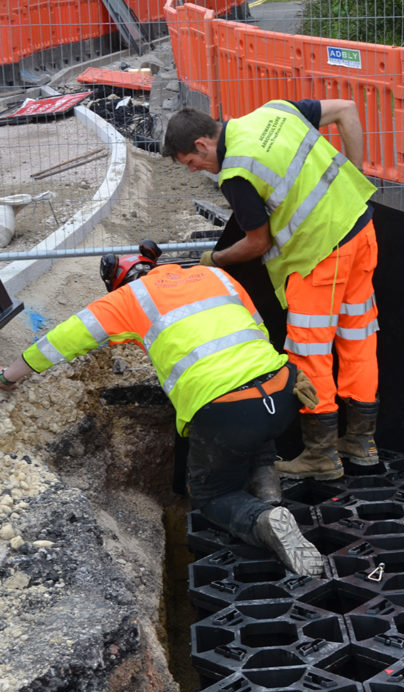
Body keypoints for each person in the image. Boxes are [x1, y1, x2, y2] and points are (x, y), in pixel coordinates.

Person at [0, 250, 324, 577]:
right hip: (283, 390)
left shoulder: (128, 297)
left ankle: (261, 518)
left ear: (117, 282)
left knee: (213, 494)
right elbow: (257, 330)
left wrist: (8, 376)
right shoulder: (214, 275)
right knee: (255, 433)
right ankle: (271, 497)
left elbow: (61, 340)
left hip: (224, 410)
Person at [161, 99, 380, 482]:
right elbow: (348, 109)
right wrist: (352, 177)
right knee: (358, 337)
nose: (197, 171)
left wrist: (216, 259)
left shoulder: (236, 175)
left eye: (191, 163)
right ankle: (362, 443)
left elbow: (257, 243)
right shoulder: (274, 112)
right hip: (361, 230)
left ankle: (321, 455)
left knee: (309, 353)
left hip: (320, 256)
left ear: (202, 145)